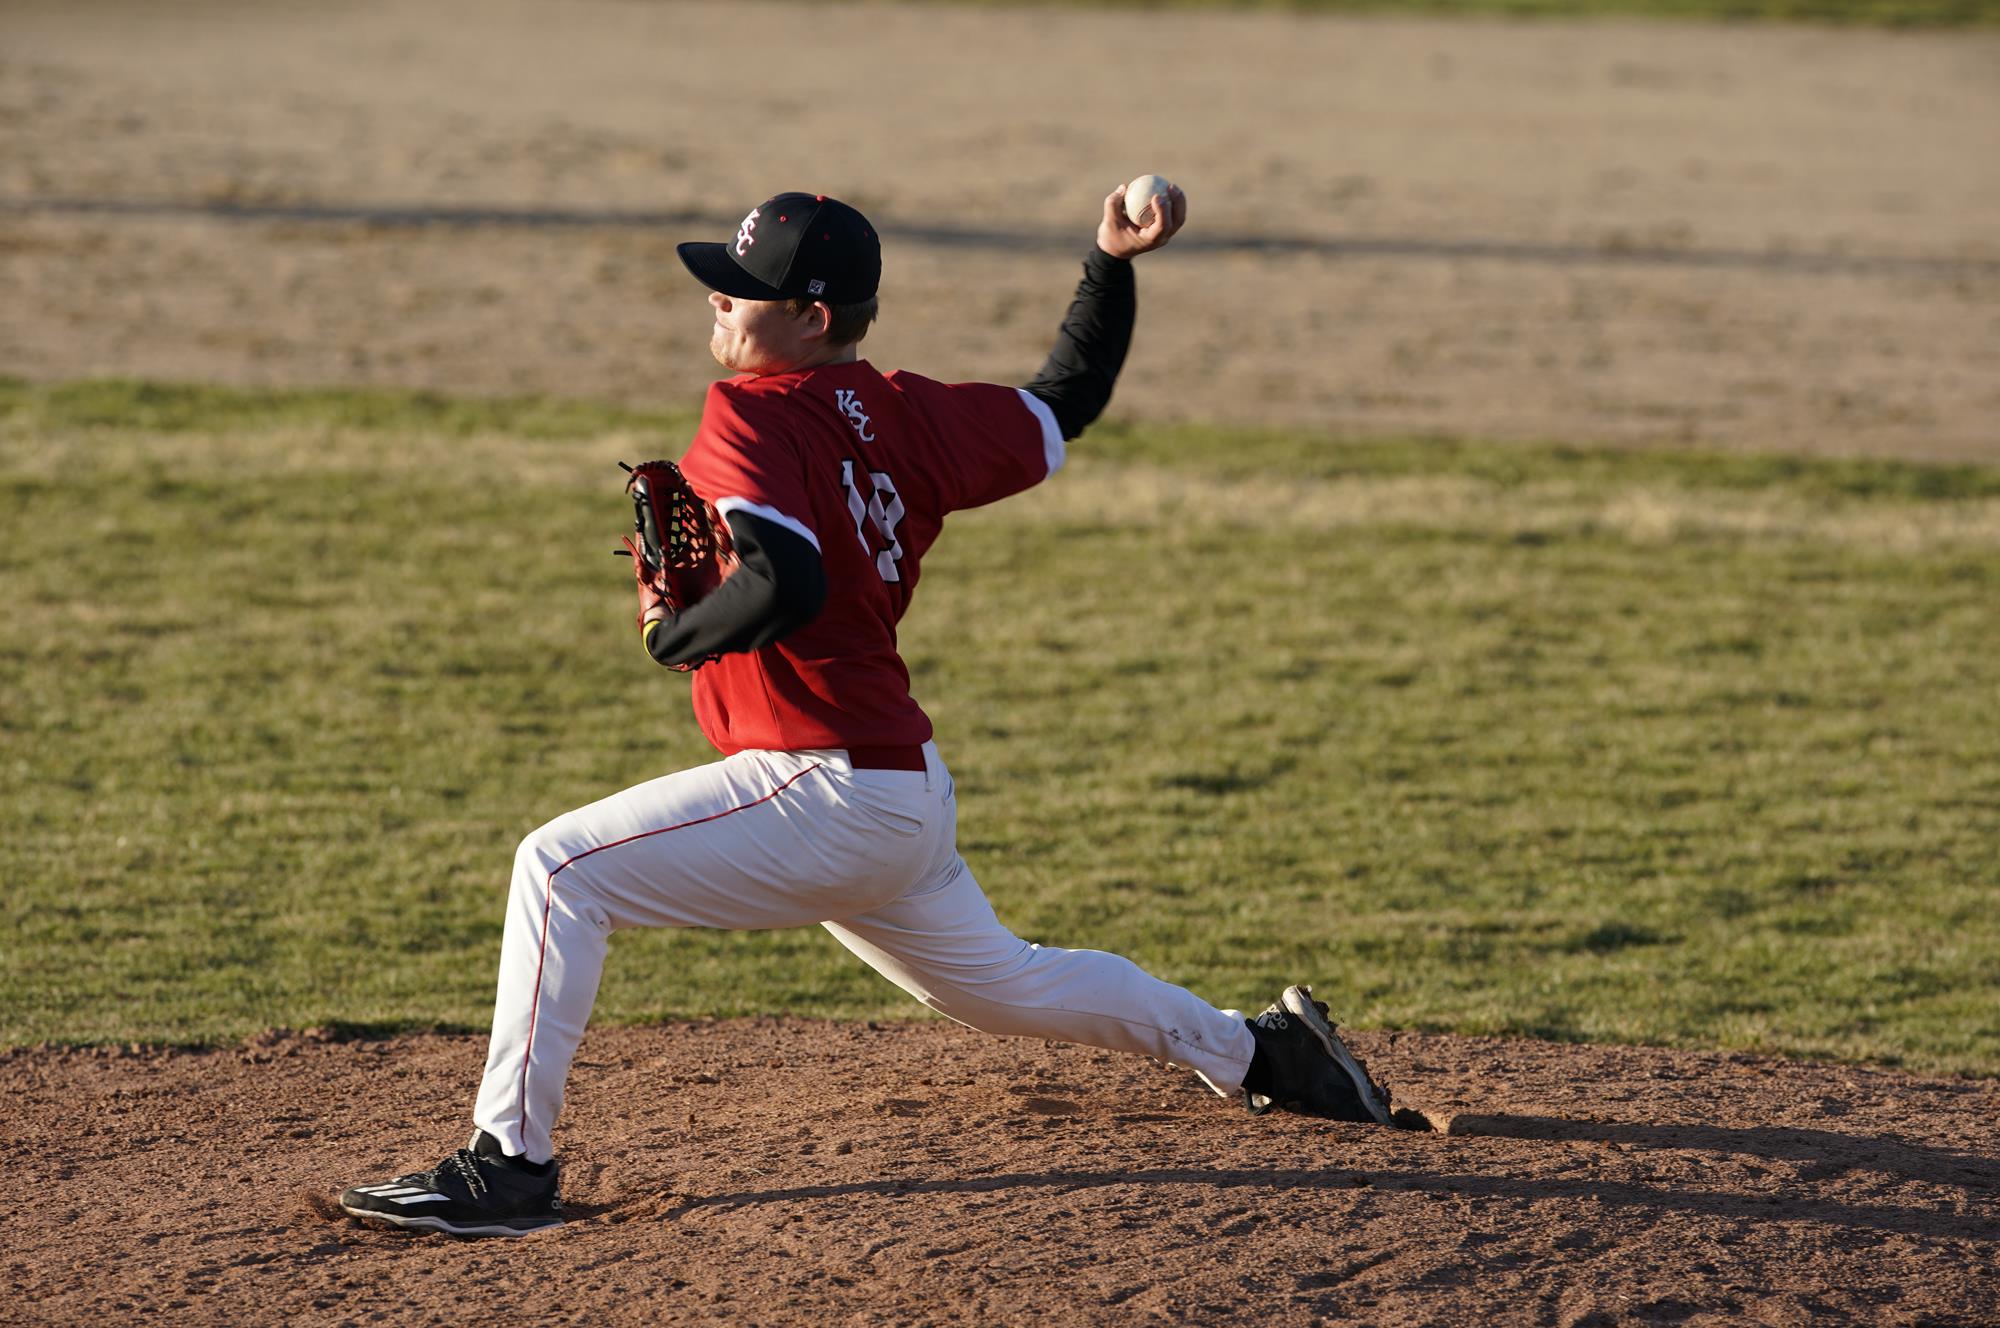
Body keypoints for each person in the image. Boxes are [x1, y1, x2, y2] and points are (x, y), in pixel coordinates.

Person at [339, 185, 1393, 1238]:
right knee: (1006, 985)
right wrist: (1108, 265)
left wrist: (679, 635)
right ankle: (1263, 1053)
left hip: (822, 790)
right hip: (900, 795)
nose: (717, 299)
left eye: (742, 290)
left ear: (811, 317)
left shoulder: (748, 411)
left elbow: (786, 577)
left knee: (559, 870)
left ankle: (508, 1166)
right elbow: (1063, 399)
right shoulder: (903, 411)